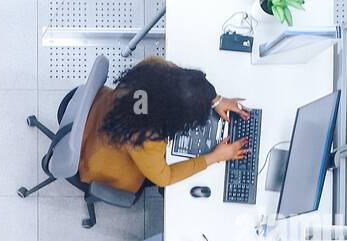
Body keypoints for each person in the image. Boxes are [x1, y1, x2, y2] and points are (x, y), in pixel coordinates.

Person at [79, 56, 251, 193]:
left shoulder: (153, 68)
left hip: (99, 109)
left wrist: (215, 99)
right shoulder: (145, 138)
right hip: (103, 158)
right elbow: (164, 178)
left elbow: (182, 83)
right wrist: (215, 157)